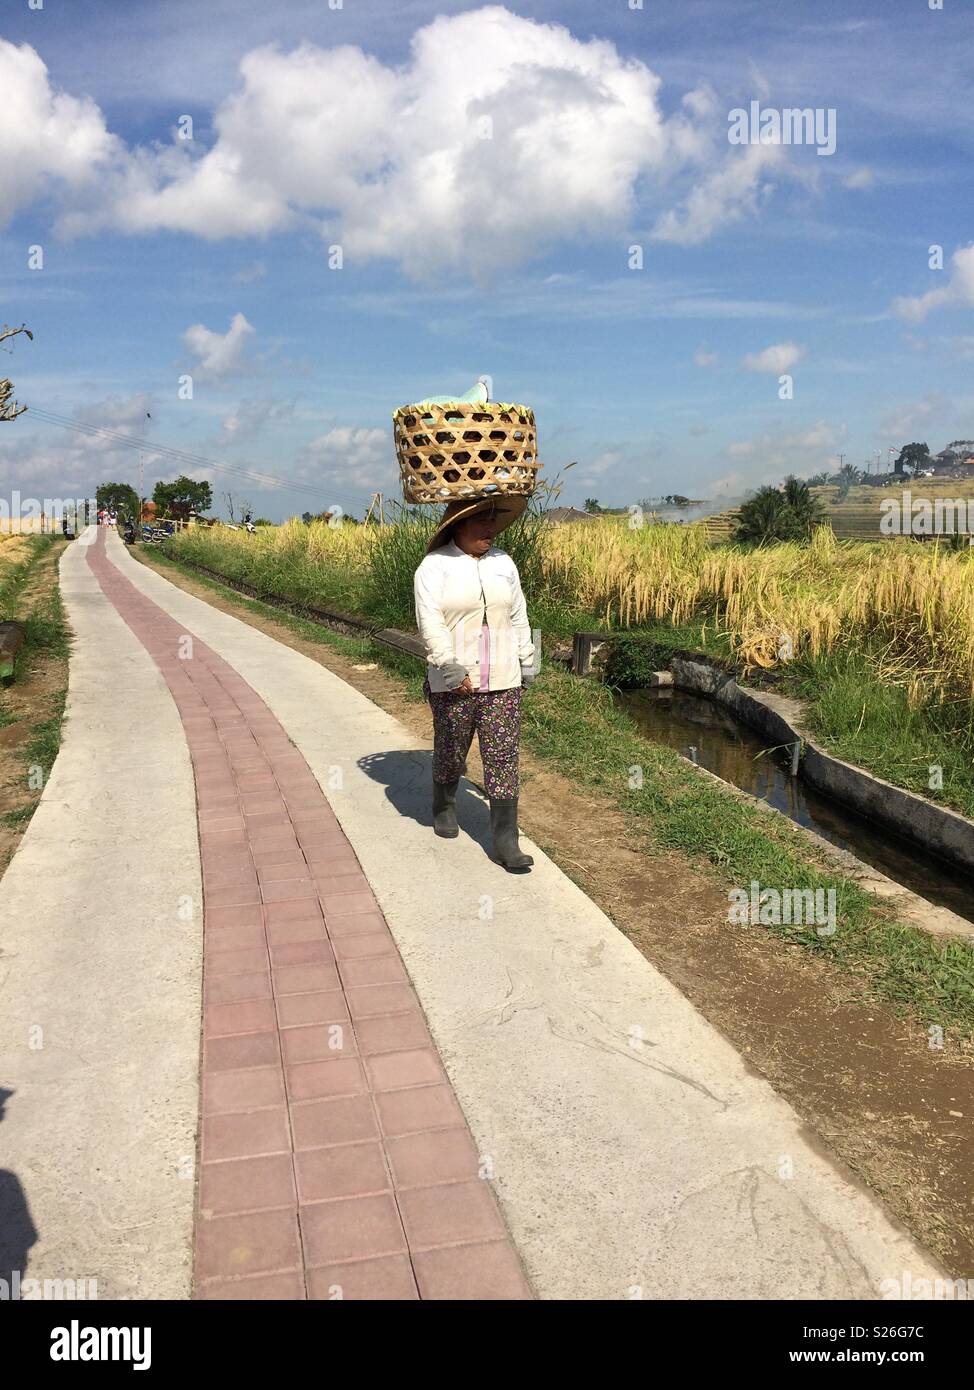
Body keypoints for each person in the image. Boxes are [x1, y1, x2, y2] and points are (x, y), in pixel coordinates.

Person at [414, 496, 538, 871]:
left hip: (503, 678)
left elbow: (518, 614)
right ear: (457, 525)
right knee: (452, 748)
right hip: (455, 680)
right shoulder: (434, 567)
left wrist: (526, 661)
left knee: (502, 757)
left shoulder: (504, 563)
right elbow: (429, 620)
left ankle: (505, 840)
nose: (489, 529)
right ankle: (444, 804)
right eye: (480, 521)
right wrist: (449, 665)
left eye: (492, 522)